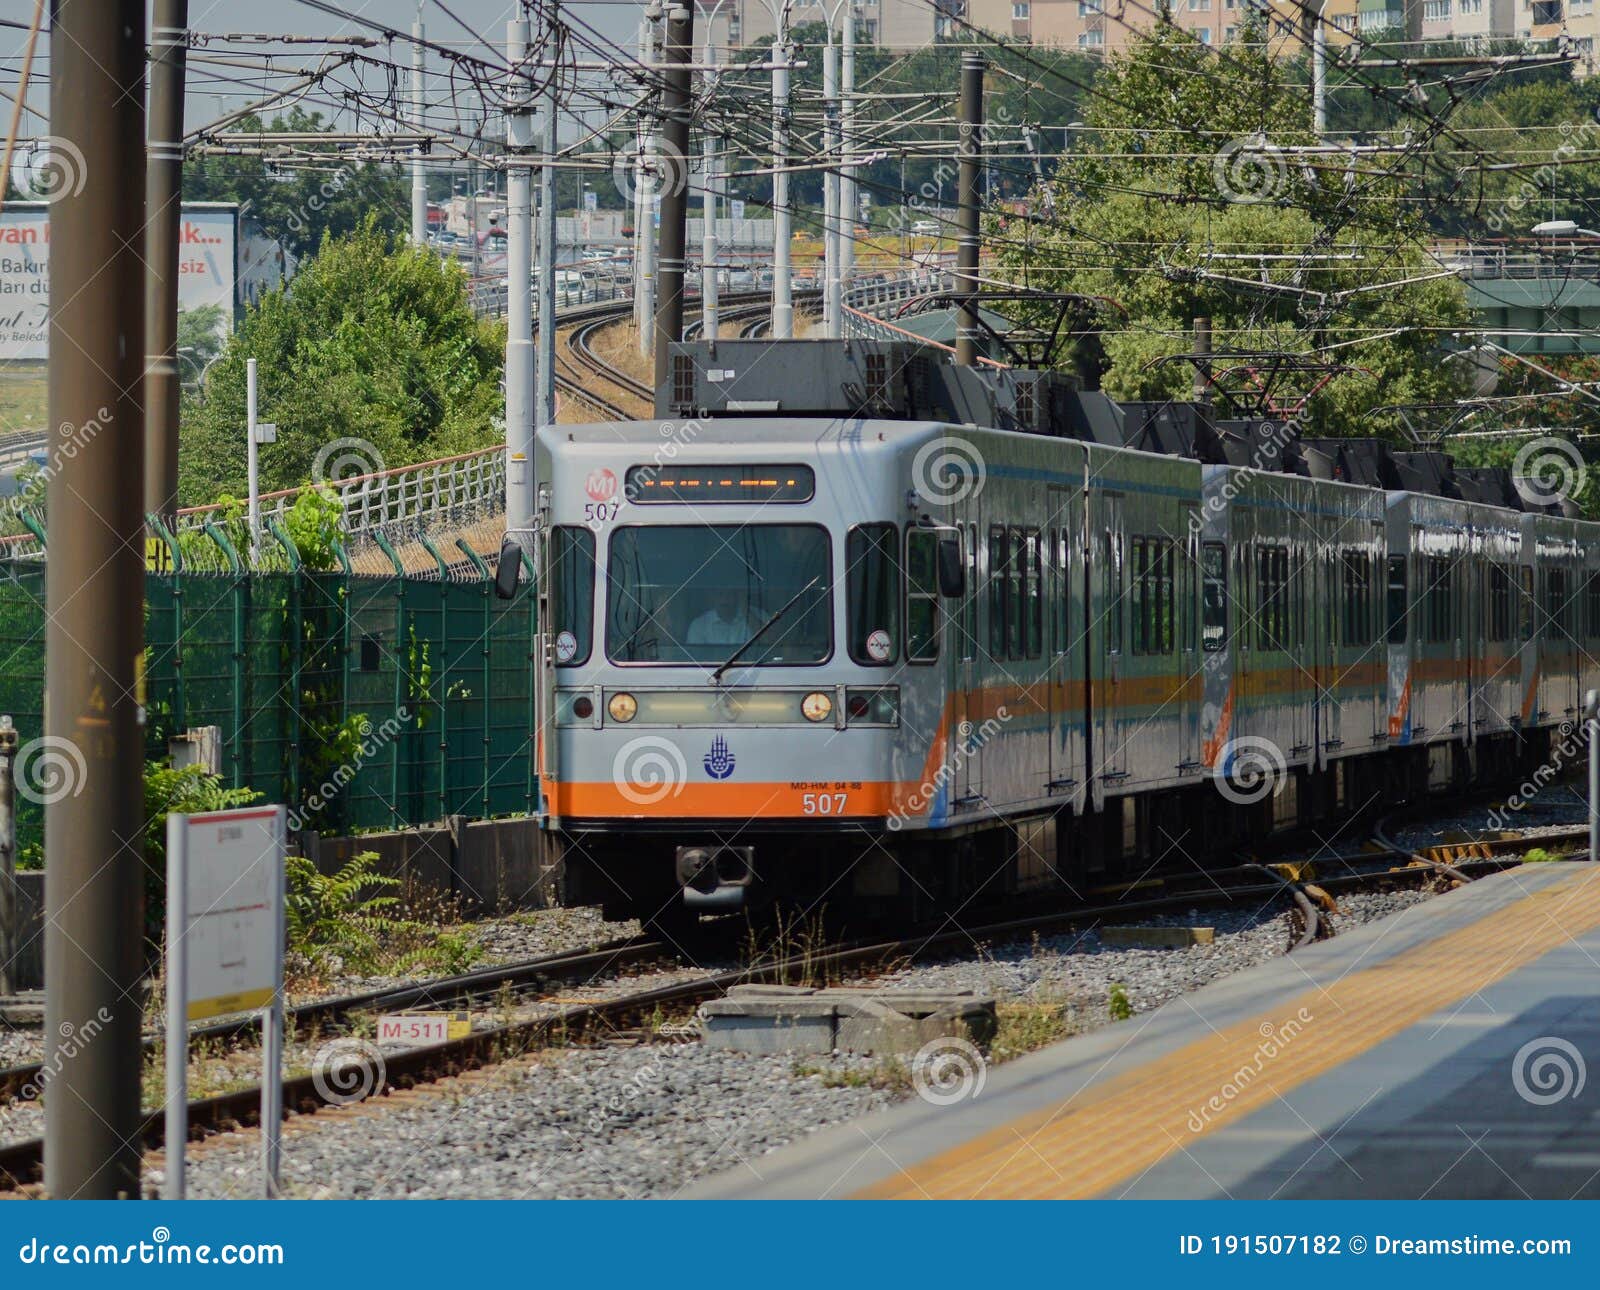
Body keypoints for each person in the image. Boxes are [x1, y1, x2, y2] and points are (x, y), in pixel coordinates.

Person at [687, 586, 756, 647]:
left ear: (737, 595)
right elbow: (696, 657)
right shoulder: (699, 625)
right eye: (720, 594)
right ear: (713, 597)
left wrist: (746, 611)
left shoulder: (757, 616)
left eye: (729, 594)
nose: (724, 600)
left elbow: (766, 642)